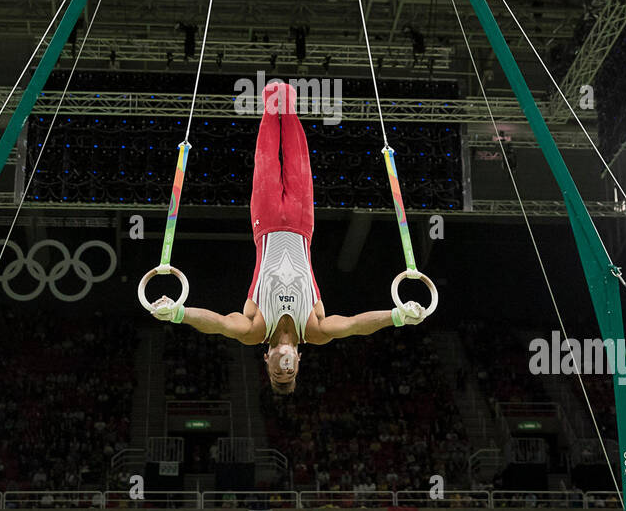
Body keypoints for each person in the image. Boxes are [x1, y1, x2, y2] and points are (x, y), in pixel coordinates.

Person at [146, 81, 429, 394]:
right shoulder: (315, 329)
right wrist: (397, 316)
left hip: (265, 224)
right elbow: (355, 325)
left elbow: (219, 323)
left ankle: (270, 97)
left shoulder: (254, 330)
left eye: (277, 375)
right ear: (299, 361)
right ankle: (289, 100)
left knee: (266, 157)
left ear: (266, 360)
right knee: (298, 157)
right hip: (302, 224)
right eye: (289, 374)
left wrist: (178, 313)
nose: (284, 369)